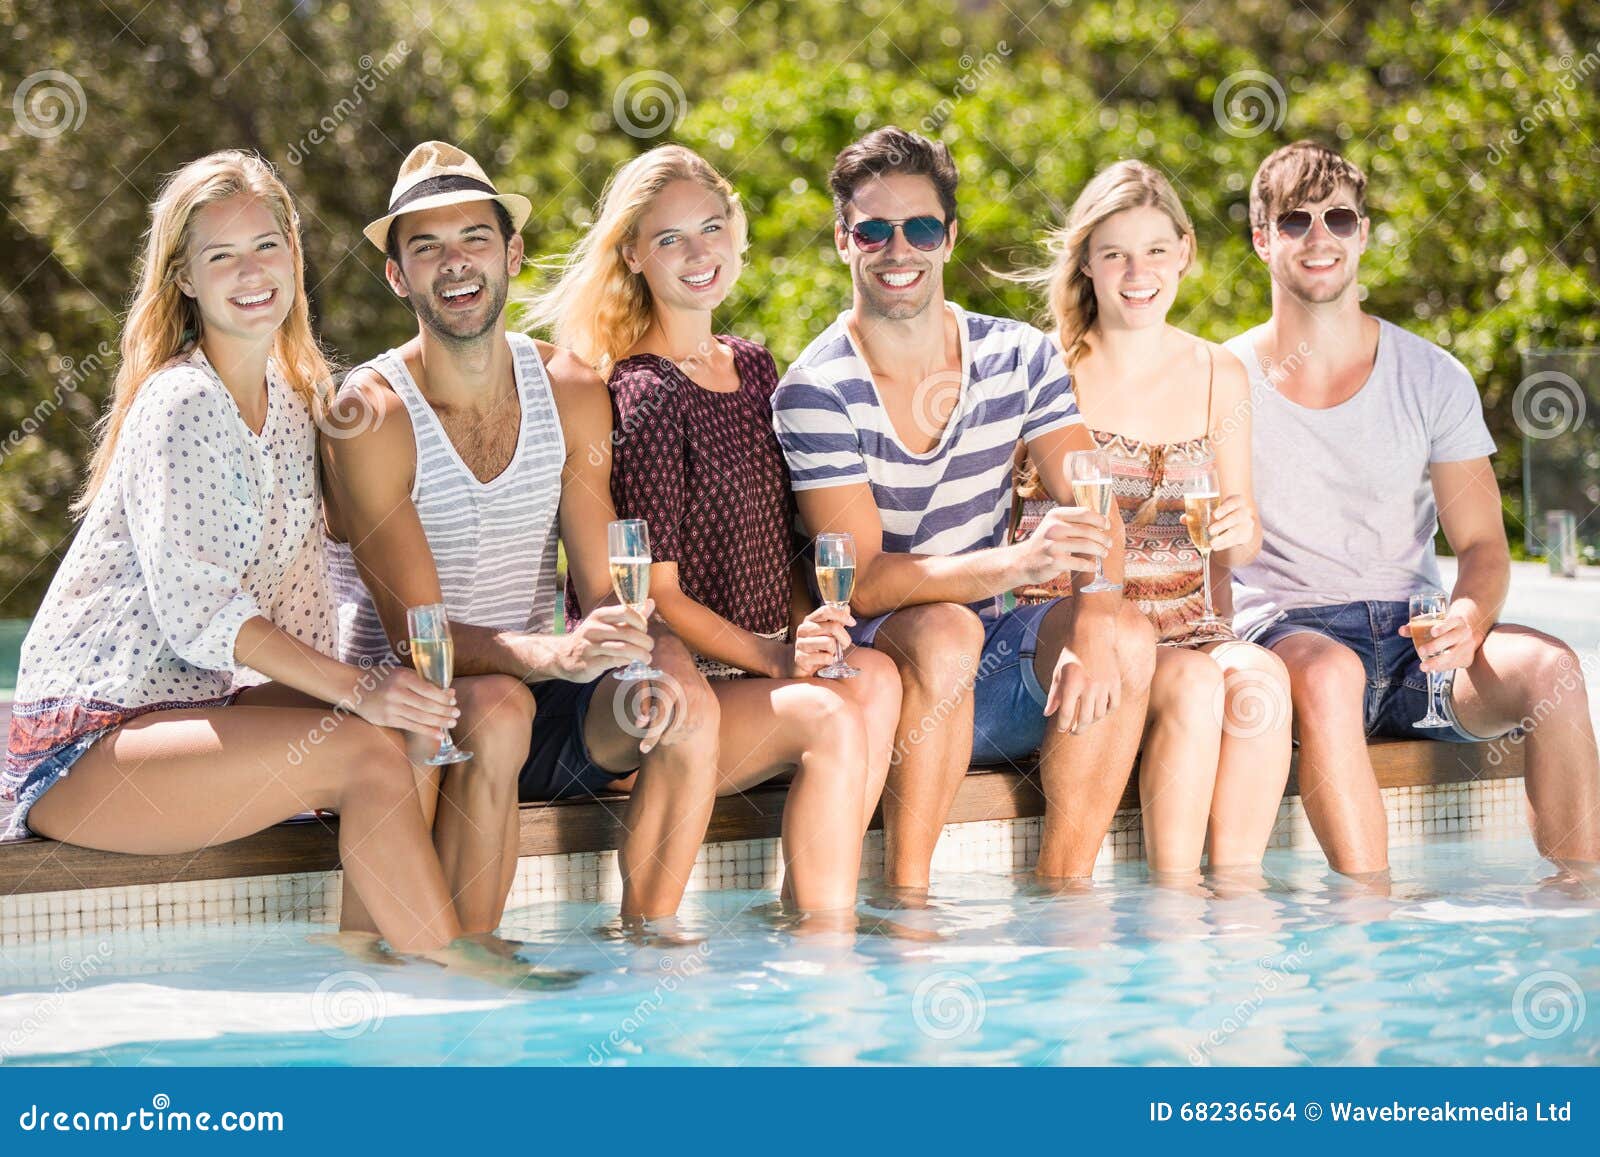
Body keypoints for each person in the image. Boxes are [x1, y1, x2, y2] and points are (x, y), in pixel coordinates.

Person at [1, 152, 485, 962]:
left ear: (295, 254)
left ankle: (376, 970)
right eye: (220, 256)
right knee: (367, 743)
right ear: (185, 278)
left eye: (266, 246)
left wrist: (381, 691)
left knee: (404, 731)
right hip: (83, 750)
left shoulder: (298, 406)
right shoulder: (181, 400)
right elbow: (205, 617)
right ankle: (464, 977)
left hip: (192, 720)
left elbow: (299, 605)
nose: (251, 272)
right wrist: (361, 691)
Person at [322, 142, 720, 930]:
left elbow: (606, 583)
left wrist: (623, 643)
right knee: (498, 707)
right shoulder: (369, 411)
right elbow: (417, 636)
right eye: (425, 247)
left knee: (676, 688)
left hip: (541, 699)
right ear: (398, 275)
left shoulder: (571, 389)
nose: (455, 263)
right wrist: (554, 654)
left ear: (512, 253)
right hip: (408, 717)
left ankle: (653, 951)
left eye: (474, 238)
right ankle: (471, 970)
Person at [772, 127, 1157, 895]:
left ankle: (1063, 897)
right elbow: (861, 584)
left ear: (948, 237)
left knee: (1128, 634)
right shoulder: (817, 389)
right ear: (844, 240)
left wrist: (1090, 623)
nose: (897, 249)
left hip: (986, 671)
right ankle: (908, 898)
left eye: (918, 227)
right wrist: (1010, 566)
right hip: (883, 666)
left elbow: (1095, 502)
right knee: (948, 628)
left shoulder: (1022, 355)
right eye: (873, 229)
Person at [530, 144, 903, 915]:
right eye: (669, 239)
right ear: (632, 255)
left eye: (710, 228)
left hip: (760, 663)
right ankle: (819, 942)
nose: (698, 253)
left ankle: (812, 907)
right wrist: (774, 658)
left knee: (880, 678)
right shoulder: (642, 395)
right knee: (830, 715)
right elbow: (656, 596)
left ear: (736, 233)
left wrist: (811, 632)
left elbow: (782, 537)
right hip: (687, 681)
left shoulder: (755, 365)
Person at [1225, 139, 1600, 875]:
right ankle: (1372, 929)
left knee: (1552, 668)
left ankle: (1581, 908)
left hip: (1413, 642)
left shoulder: (1432, 375)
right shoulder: (1221, 377)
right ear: (1262, 238)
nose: (1320, 236)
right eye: (1296, 220)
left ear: (1363, 233)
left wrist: (1466, 618)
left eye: (1338, 217)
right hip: (1289, 641)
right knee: (1332, 676)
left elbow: (1484, 546)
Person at [1013, 160, 1291, 873]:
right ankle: (1175, 899)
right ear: (1088, 265)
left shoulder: (1217, 373)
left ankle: (1237, 893)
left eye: (1156, 252)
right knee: (1197, 685)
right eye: (1116, 254)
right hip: (1080, 626)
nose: (1138, 272)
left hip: (1189, 622)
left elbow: (1242, 535)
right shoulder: (1049, 368)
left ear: (1185, 254)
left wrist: (1237, 529)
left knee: (1261, 678)